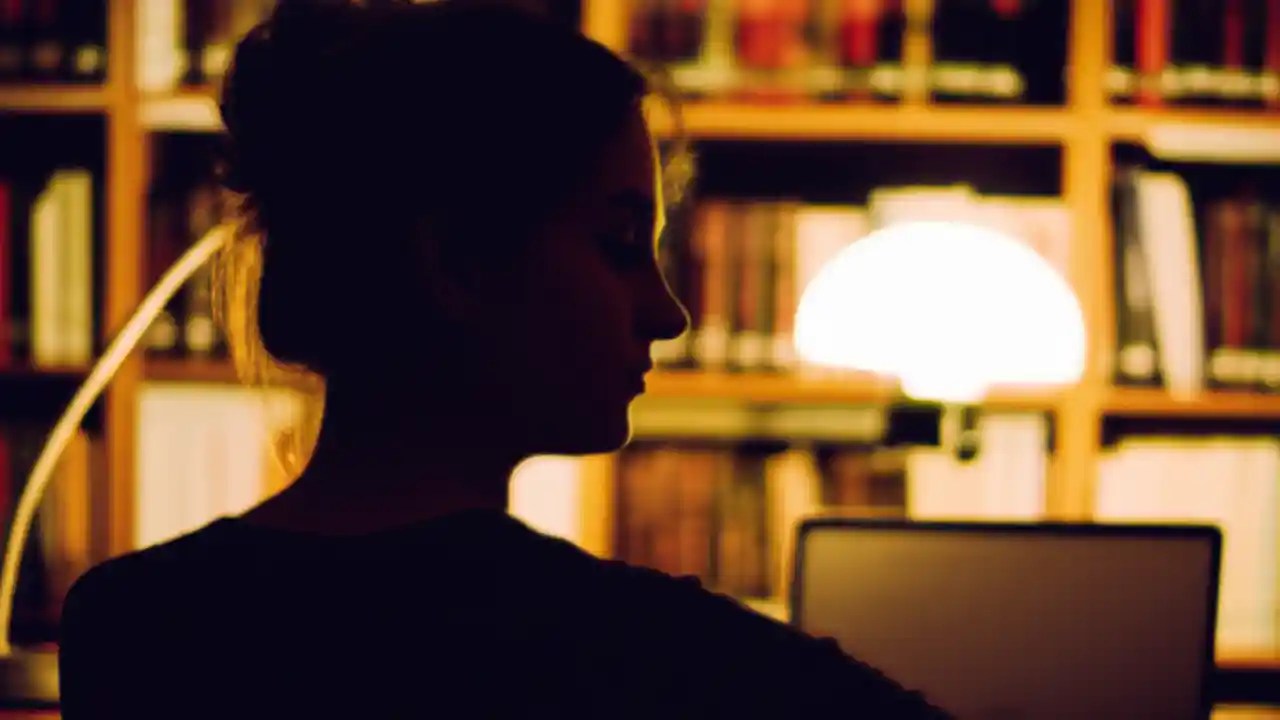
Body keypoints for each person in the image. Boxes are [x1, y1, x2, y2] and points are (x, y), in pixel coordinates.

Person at [57, 2, 953, 717]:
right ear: (456, 263)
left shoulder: (129, 621)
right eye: (617, 246)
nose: (668, 313)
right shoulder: (644, 652)